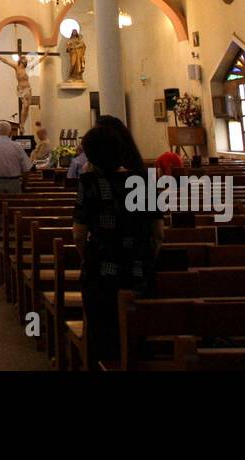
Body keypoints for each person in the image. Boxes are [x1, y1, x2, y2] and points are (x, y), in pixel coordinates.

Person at [72, 116, 163, 369]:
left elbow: (79, 234)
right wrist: (143, 259)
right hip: (139, 268)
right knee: (139, 327)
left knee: (103, 329)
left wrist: (88, 257)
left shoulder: (90, 183)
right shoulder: (143, 180)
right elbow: (158, 233)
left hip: (101, 268)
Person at [0, 120, 32, 194]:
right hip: (14, 183)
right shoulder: (17, 147)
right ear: (10, 133)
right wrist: (23, 185)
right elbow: (26, 170)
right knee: (13, 205)